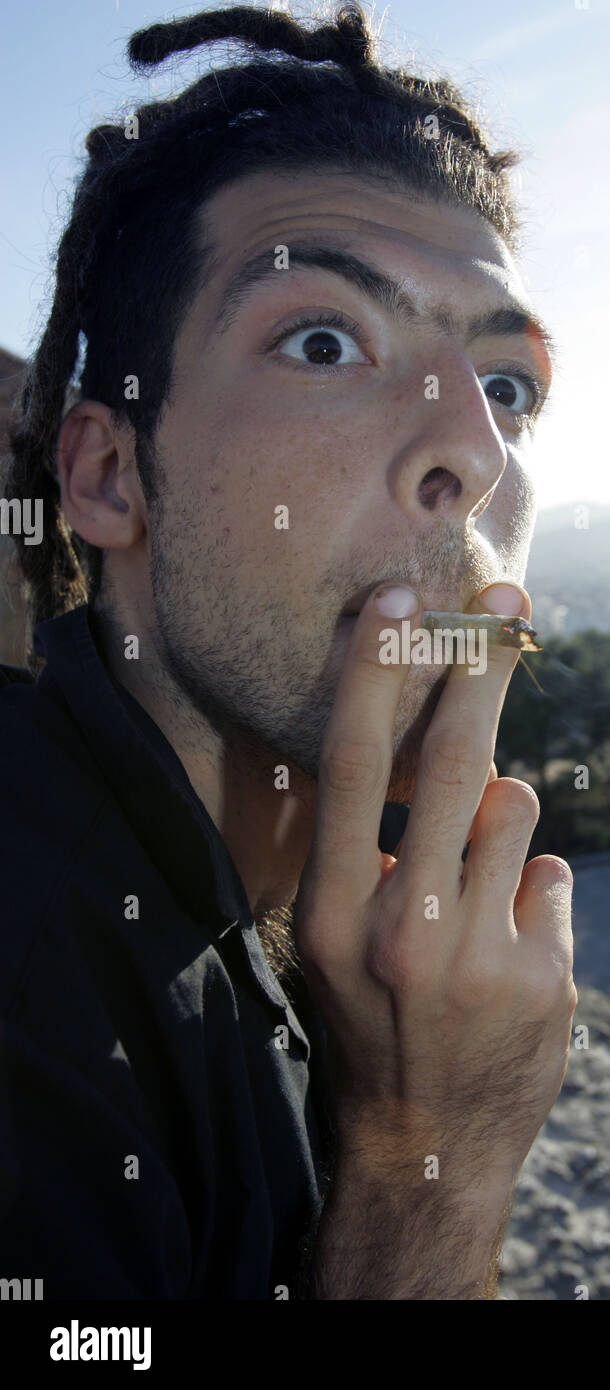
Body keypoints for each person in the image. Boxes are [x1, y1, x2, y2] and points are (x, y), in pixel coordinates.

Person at [0, 2, 577, 1299]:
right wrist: (432, 1153)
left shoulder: (303, 924)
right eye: (324, 341)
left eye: (504, 386)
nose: (473, 454)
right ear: (106, 476)